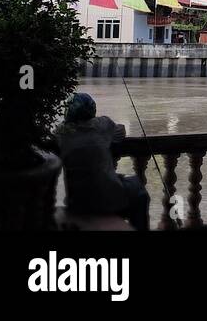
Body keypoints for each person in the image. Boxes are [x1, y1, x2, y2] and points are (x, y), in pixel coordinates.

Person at [56, 93, 150, 230]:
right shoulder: (102, 124)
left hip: (77, 201)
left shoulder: (61, 131)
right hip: (106, 199)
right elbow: (120, 132)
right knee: (139, 191)